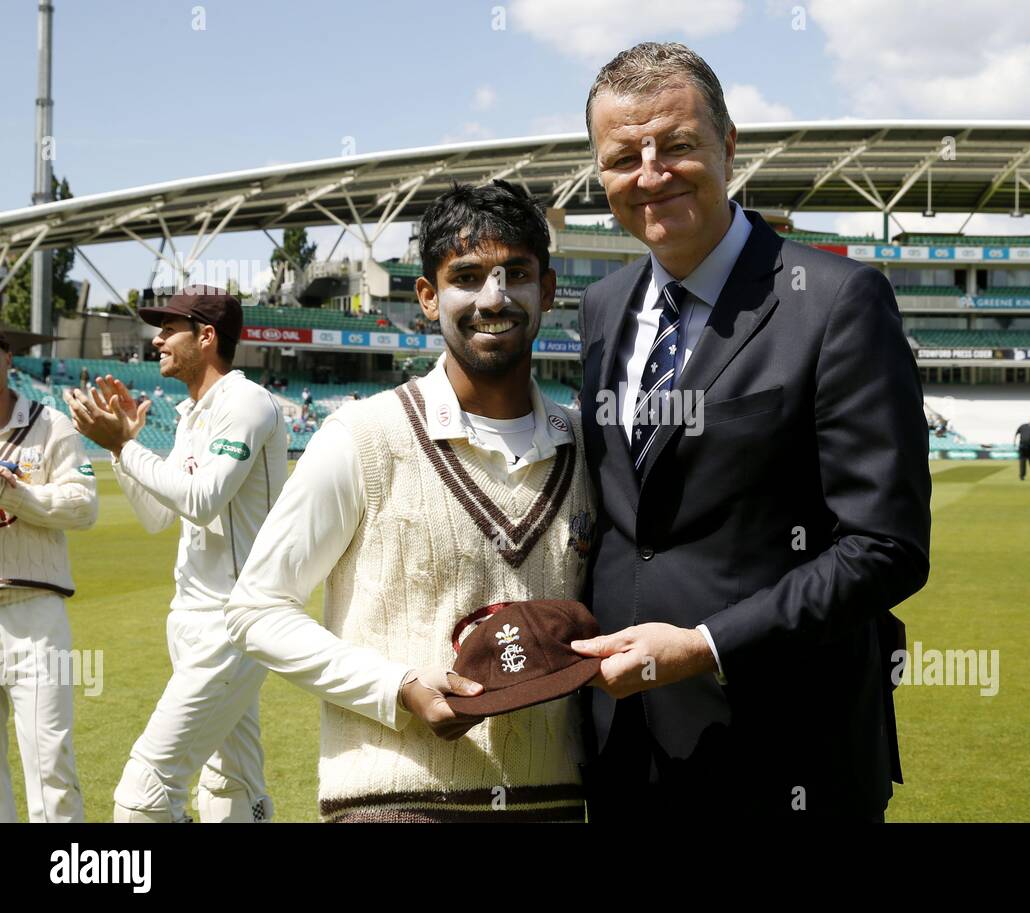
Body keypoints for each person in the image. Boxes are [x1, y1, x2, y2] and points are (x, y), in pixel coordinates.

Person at [574, 42, 930, 820]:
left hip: (786, 756)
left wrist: (705, 643)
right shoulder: (600, 310)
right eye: (622, 157)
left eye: (676, 146)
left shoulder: (838, 301)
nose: (650, 174)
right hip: (625, 756)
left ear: (729, 146)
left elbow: (886, 547)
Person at [224, 181, 597, 822]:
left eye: (516, 274)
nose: (494, 297)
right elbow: (256, 610)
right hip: (393, 804)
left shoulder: (590, 450)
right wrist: (396, 688)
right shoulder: (363, 438)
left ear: (549, 290)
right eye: (468, 276)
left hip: (554, 802)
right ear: (428, 297)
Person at [65, 286, 287, 823]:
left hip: (232, 620)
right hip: (190, 618)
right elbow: (160, 515)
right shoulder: (192, 415)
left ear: (206, 337)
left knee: (143, 796)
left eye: (169, 328)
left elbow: (201, 497)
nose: (157, 339)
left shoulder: (246, 402)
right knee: (232, 786)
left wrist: (123, 446)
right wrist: (124, 453)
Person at [0, 330, 98, 822]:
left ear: (8, 357)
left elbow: (84, 507)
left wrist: (15, 495)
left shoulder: (49, 424)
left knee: (50, 764)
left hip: (34, 614)